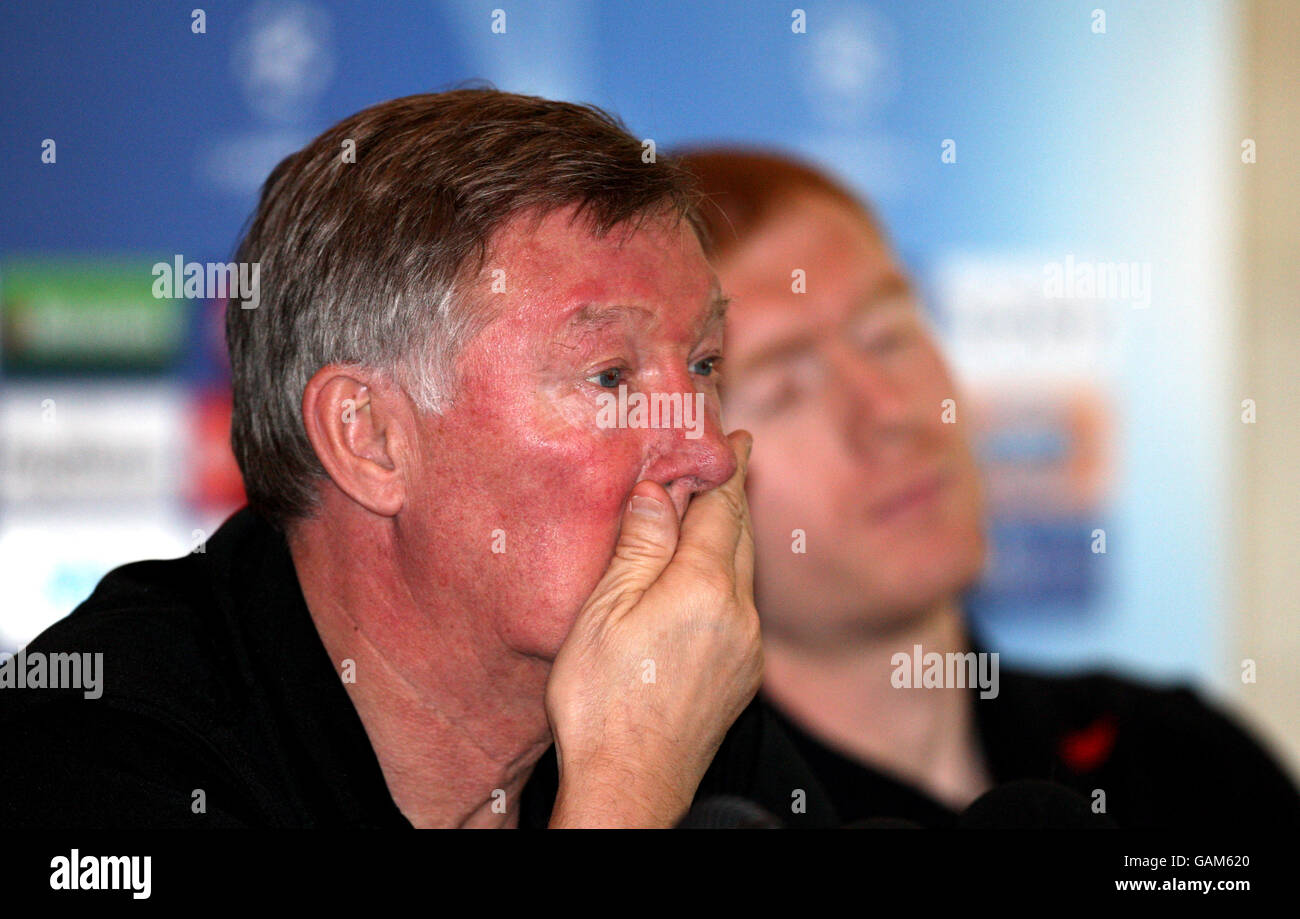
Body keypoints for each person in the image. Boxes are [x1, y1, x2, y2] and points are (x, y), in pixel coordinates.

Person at [0, 91, 840, 829]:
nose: (705, 453)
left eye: (704, 364)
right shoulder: (95, 751)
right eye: (611, 377)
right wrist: (626, 789)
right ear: (370, 439)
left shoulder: (688, 712)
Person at [676, 147, 1300, 827]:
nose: (889, 411)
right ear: (684, 477)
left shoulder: (1182, 766)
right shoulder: (681, 816)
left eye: (888, 335)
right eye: (785, 388)